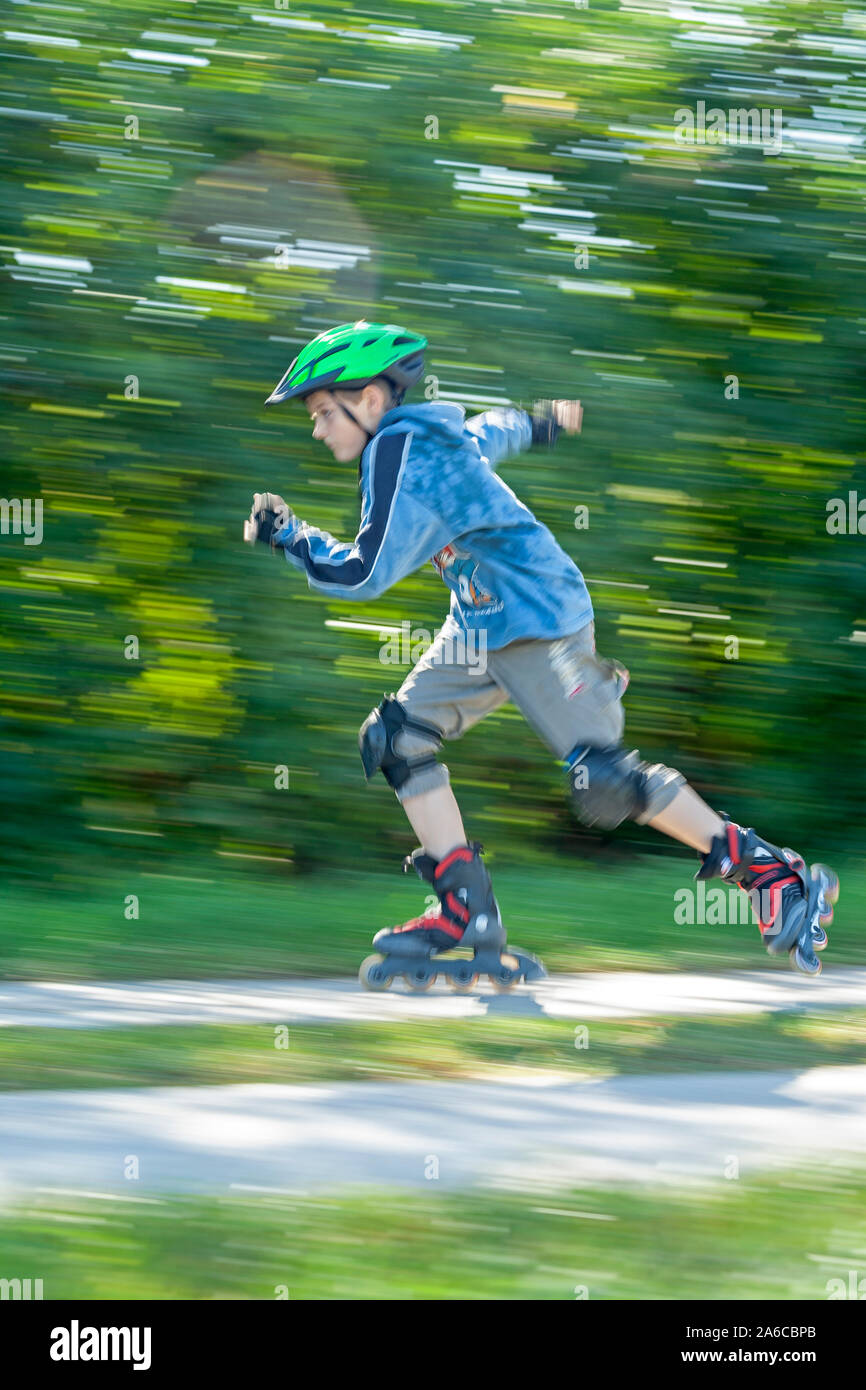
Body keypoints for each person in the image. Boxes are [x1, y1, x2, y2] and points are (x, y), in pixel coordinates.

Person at [245, 320, 837, 989]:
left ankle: (770, 873)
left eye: (325, 412)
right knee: (394, 740)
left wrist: (290, 537)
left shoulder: (398, 452)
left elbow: (362, 574)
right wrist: (537, 422)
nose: (318, 428)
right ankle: (466, 915)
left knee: (604, 781)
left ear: (372, 401)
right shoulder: (432, 439)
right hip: (478, 625)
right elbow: (485, 432)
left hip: (541, 623)